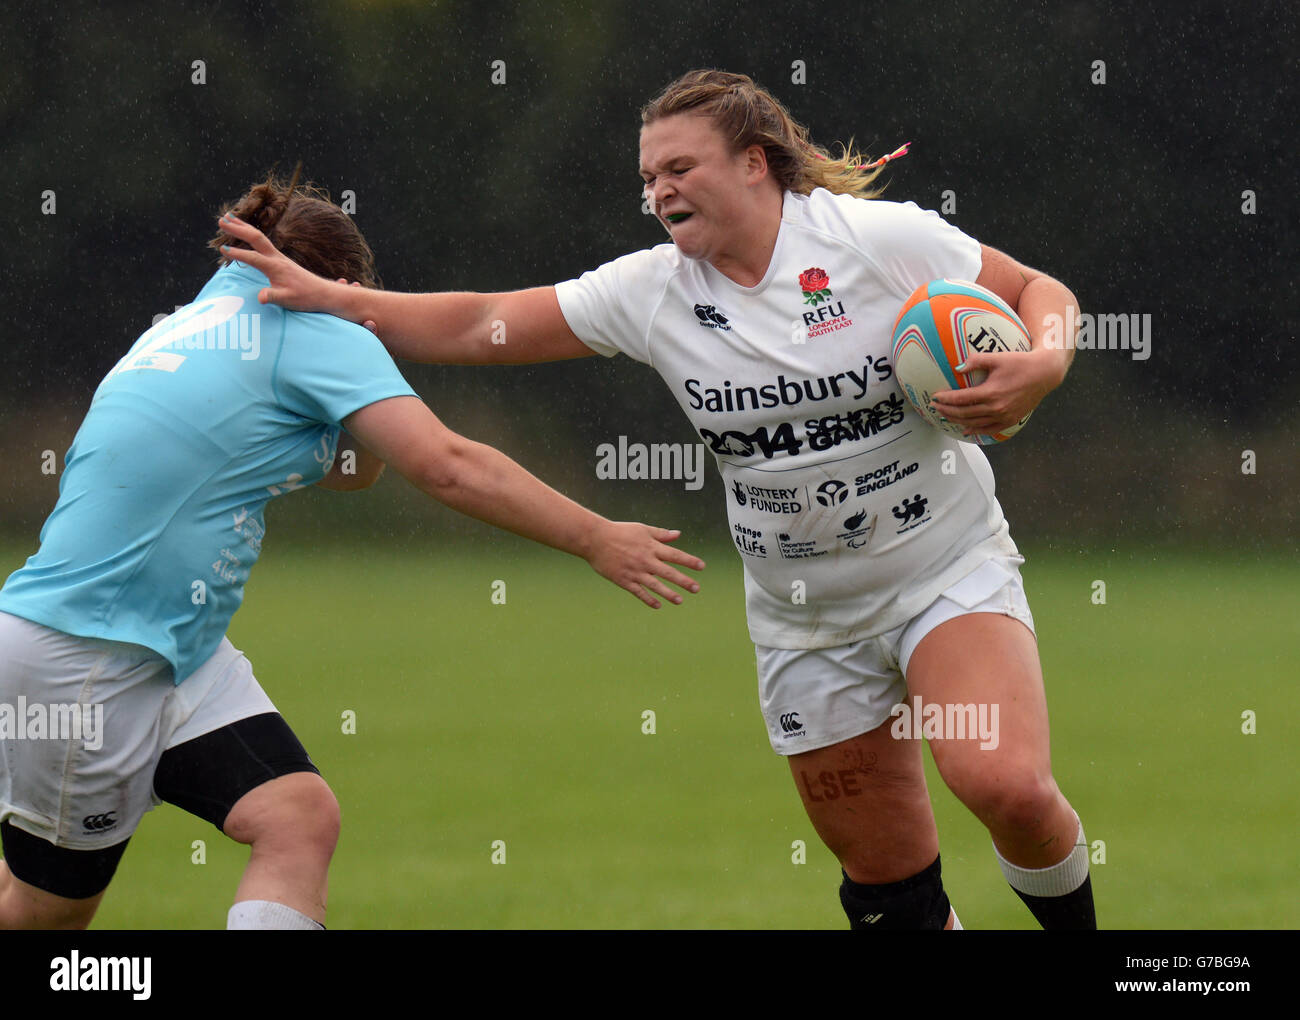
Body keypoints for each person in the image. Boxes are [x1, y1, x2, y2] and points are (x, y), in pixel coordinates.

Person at [219, 70, 1096, 930]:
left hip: (943, 569)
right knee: (889, 887)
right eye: (648, 179)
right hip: (808, 619)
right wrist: (337, 301)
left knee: (1003, 783)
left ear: (755, 162)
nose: (659, 191)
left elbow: (1036, 293)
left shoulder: (872, 239)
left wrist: (1045, 361)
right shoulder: (652, 292)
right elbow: (479, 322)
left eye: (679, 168)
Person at [0, 172, 703, 931]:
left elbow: (351, 469)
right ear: (339, 282)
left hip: (170, 647)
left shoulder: (183, 324)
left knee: (297, 815)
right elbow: (446, 466)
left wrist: (357, 366)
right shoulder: (309, 327)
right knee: (47, 917)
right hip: (92, 658)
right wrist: (596, 538)